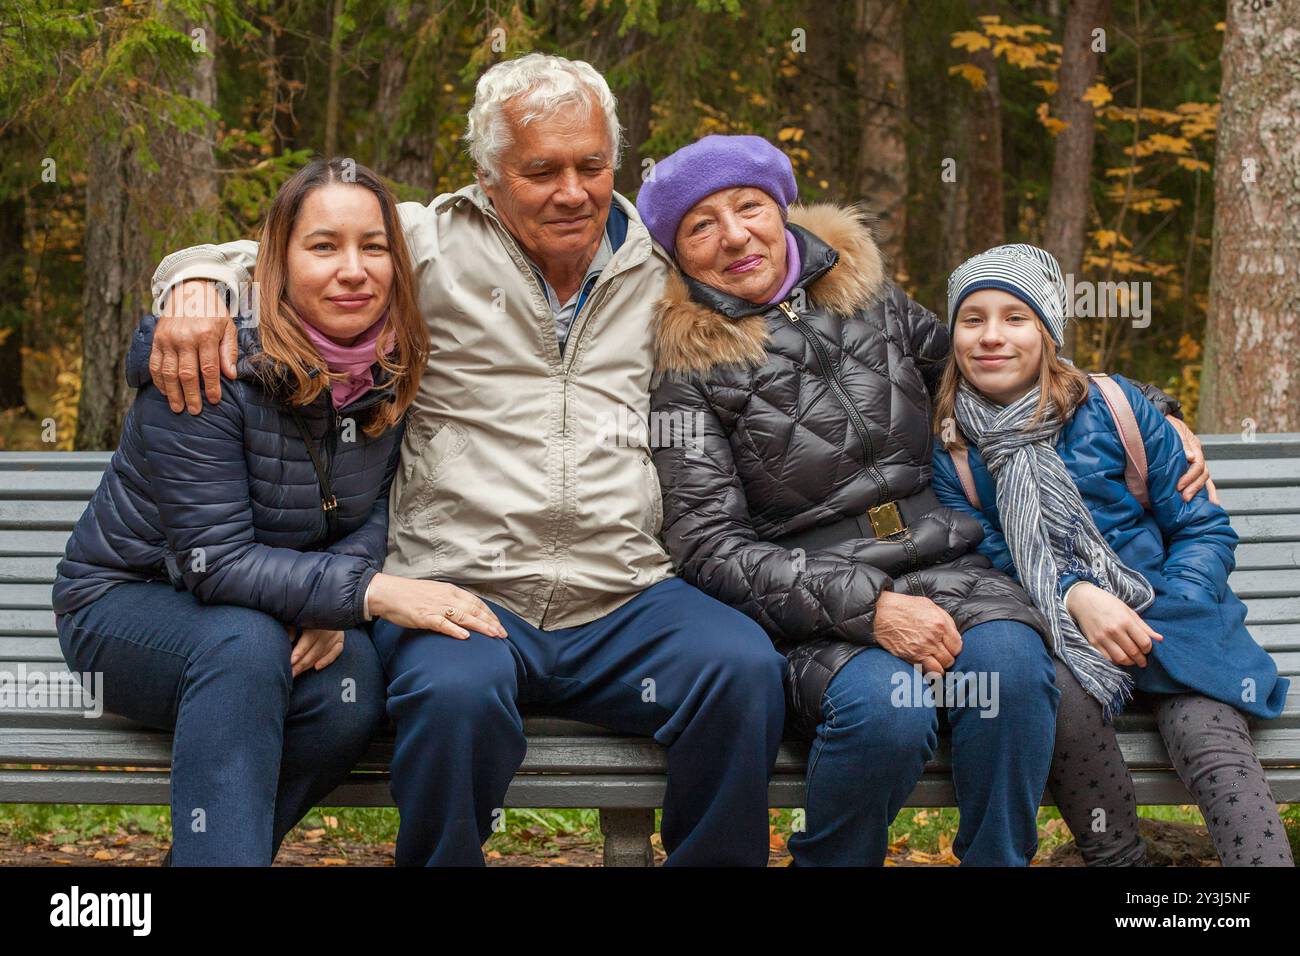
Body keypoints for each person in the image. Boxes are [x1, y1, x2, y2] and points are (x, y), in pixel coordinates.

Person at [139, 56, 787, 867]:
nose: (573, 191)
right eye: (541, 170)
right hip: (459, 585)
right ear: (488, 175)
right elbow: (271, 257)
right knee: (454, 700)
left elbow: (784, 277)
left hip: (625, 592)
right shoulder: (424, 244)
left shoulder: (656, 267)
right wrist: (195, 284)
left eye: (592, 165)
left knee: (743, 670)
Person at [638, 134, 1213, 866]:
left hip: (949, 563)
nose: (735, 235)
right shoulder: (683, 374)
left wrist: (1153, 411)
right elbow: (707, 546)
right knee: (886, 714)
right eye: (701, 225)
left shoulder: (869, 300)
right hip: (811, 604)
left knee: (1010, 666)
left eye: (748, 206)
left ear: (780, 208)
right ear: (679, 254)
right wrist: (869, 608)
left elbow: (993, 370)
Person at [51, 158, 498, 866]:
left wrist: (331, 604)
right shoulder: (206, 364)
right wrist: (367, 593)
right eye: (324, 247)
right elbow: (213, 561)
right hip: (128, 602)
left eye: (373, 247)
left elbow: (373, 519)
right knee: (246, 648)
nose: (353, 269)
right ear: (277, 265)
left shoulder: (386, 370)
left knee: (351, 689)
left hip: (272, 609)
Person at [929, 243, 1293, 867]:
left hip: (1170, 616)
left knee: (1207, 739)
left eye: (1016, 318)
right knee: (1065, 713)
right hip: (1060, 632)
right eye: (973, 318)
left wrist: (1174, 603)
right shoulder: (953, 451)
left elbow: (1204, 529)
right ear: (953, 333)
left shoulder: (1118, 408)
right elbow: (985, 557)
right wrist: (1073, 594)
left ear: (1048, 332)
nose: (992, 337)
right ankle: (1123, 861)